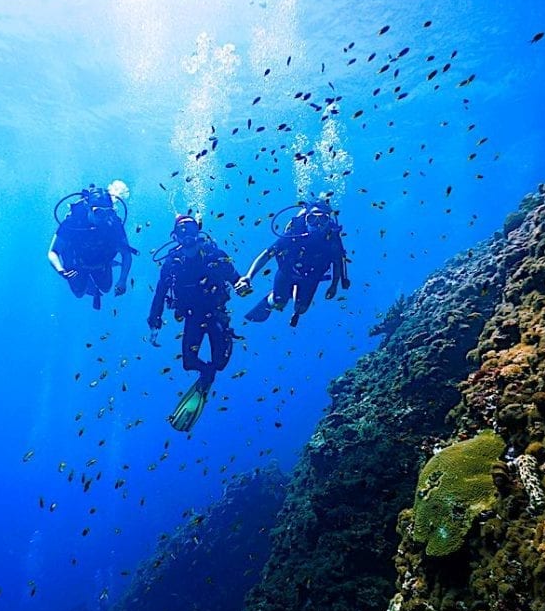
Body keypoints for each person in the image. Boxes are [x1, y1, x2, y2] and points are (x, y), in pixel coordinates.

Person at [147, 215, 249, 432]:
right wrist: (154, 321)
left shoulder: (214, 254)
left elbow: (235, 277)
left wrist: (241, 285)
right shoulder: (170, 264)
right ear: (175, 236)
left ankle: (221, 349)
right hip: (193, 316)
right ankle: (206, 374)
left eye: (191, 230)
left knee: (220, 363)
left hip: (216, 313)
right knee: (188, 362)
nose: (187, 236)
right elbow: (160, 293)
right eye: (182, 232)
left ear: (198, 231)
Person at [236, 198, 350, 327]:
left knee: (301, 309)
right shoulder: (293, 234)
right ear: (305, 219)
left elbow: (338, 263)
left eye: (322, 219)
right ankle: (271, 299)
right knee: (279, 302)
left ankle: (295, 306)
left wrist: (334, 285)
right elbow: (267, 255)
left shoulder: (332, 240)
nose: (317, 224)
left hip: (312, 276)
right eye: (312, 219)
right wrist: (248, 277)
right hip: (287, 272)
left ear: (328, 221)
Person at [48, 184, 137, 310]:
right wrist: (60, 269)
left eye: (109, 212)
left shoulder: (113, 223)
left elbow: (126, 253)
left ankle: (97, 286)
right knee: (79, 293)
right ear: (87, 207)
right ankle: (89, 285)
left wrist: (122, 280)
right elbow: (53, 251)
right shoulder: (73, 222)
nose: (104, 217)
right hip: (77, 264)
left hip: (101, 263)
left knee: (106, 288)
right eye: (98, 212)